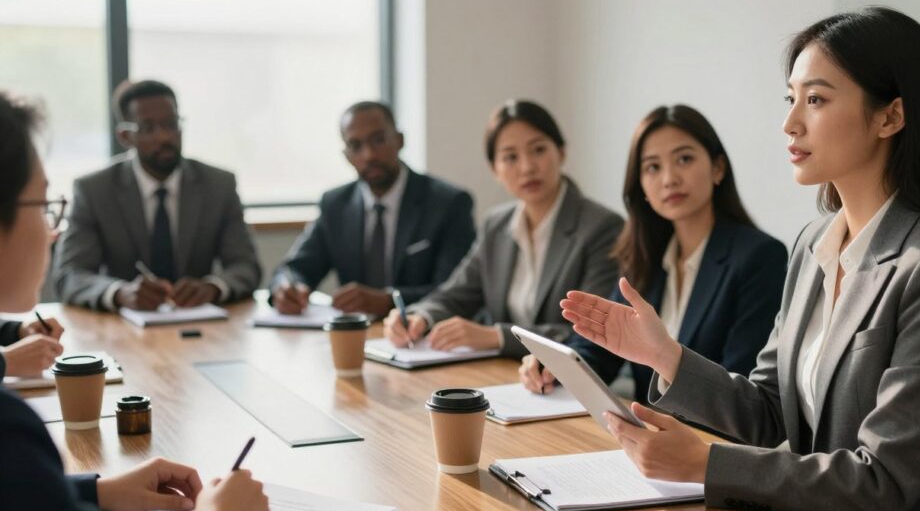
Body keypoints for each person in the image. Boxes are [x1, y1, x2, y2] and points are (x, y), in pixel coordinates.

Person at [560, 7, 920, 511]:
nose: (790, 123)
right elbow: (773, 415)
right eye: (791, 98)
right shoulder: (813, 244)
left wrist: (707, 464)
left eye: (817, 99)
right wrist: (665, 355)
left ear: (890, 117)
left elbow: (885, 478)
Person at [0, 91, 270, 511]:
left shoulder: (218, 183)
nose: (51, 231)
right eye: (43, 205)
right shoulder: (9, 429)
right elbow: (73, 274)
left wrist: (96, 491)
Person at [519, 105, 787, 403]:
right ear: (642, 187)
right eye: (652, 167)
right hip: (644, 436)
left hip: (709, 442)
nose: (669, 178)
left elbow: (743, 389)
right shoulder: (643, 256)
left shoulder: (760, 258)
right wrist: (555, 366)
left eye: (684, 159)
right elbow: (599, 352)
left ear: (717, 168)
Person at [384, 100, 623, 358]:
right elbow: (456, 294)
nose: (527, 167)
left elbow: (592, 333)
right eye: (510, 157)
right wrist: (420, 316)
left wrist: (496, 336)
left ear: (561, 152)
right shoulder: (496, 225)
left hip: (563, 383)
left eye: (539, 150)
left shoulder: (602, 227)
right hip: (504, 375)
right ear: (495, 169)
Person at [54, 79, 262, 311]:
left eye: (171, 124)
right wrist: (120, 293)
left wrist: (212, 287)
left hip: (201, 325)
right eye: (148, 128)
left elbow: (246, 266)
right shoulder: (95, 190)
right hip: (123, 330)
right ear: (125, 137)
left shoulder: (218, 185)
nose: (164, 137)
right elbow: (70, 274)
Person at [271, 101, 475, 318]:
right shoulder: (336, 205)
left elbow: (458, 291)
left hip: (423, 335)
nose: (369, 155)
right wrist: (288, 288)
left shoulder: (448, 203)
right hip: (357, 337)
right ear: (347, 155)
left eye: (378, 140)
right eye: (356, 145)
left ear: (399, 140)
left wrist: (389, 300)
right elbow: (294, 268)